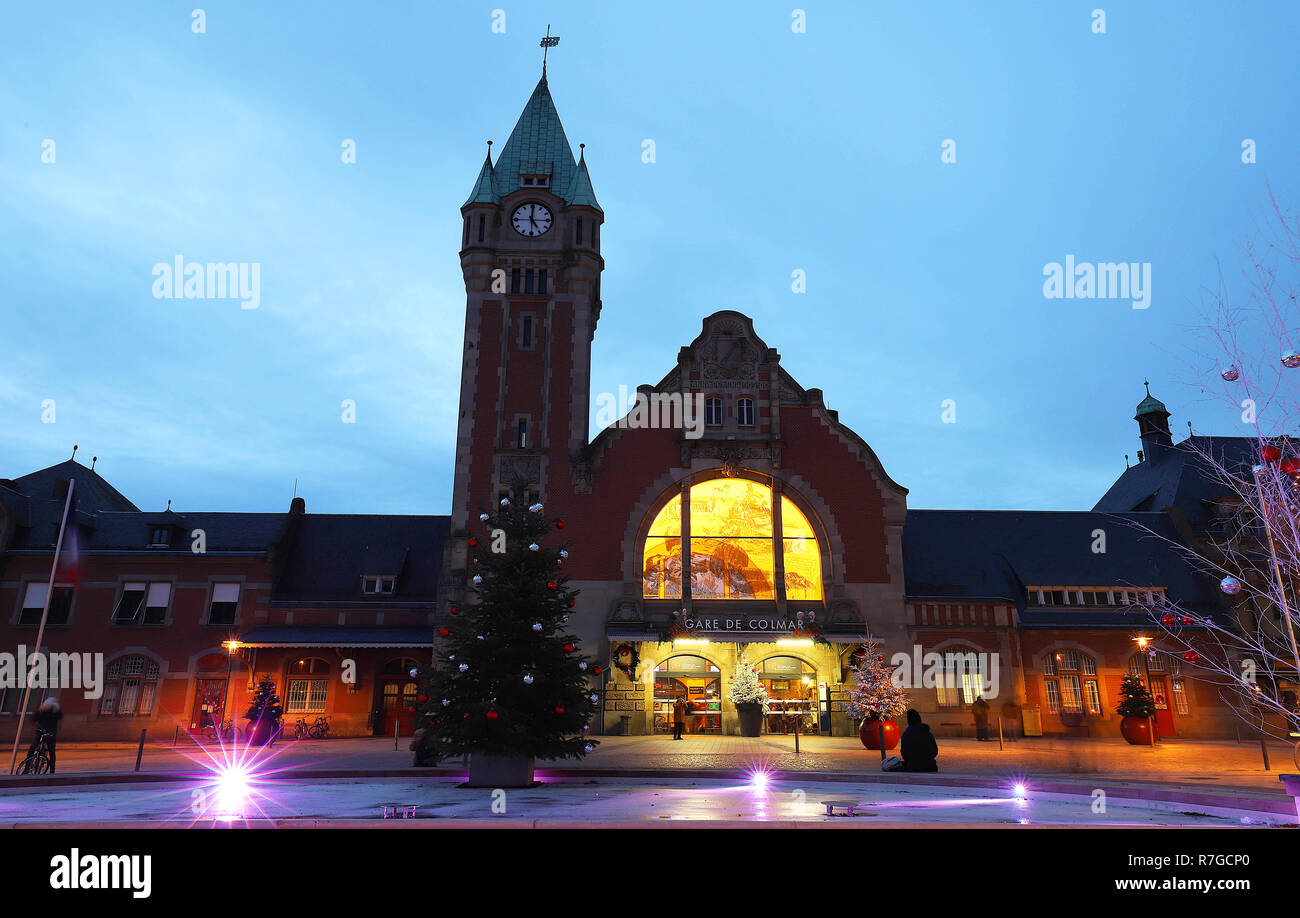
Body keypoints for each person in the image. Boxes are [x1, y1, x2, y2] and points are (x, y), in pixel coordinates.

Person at [29, 697, 62, 773]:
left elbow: (60, 723)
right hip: (44, 733)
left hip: (48, 733)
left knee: (50, 751)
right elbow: (33, 719)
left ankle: (52, 769)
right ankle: (27, 766)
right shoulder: (42, 711)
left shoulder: (56, 712)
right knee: (34, 748)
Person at [899, 708, 938, 772]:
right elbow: (934, 751)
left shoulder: (906, 735)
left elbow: (904, 754)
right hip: (929, 766)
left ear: (909, 721)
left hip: (912, 766)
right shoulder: (927, 733)